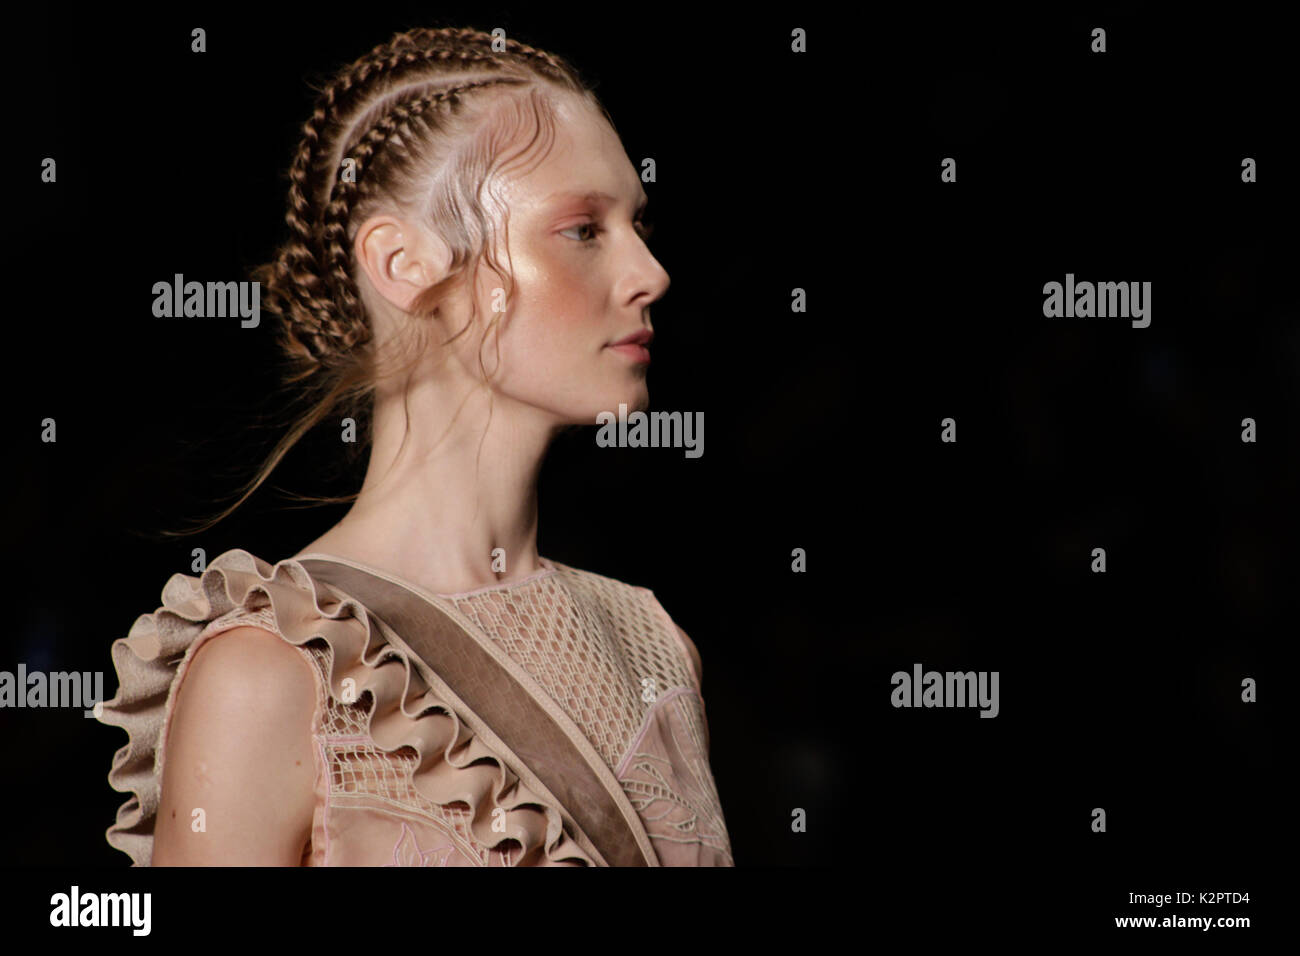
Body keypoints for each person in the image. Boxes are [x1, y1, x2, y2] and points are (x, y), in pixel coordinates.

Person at [96, 25, 732, 867]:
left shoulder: (652, 641)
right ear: (402, 263)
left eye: (637, 223)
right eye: (583, 229)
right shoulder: (275, 672)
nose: (650, 271)